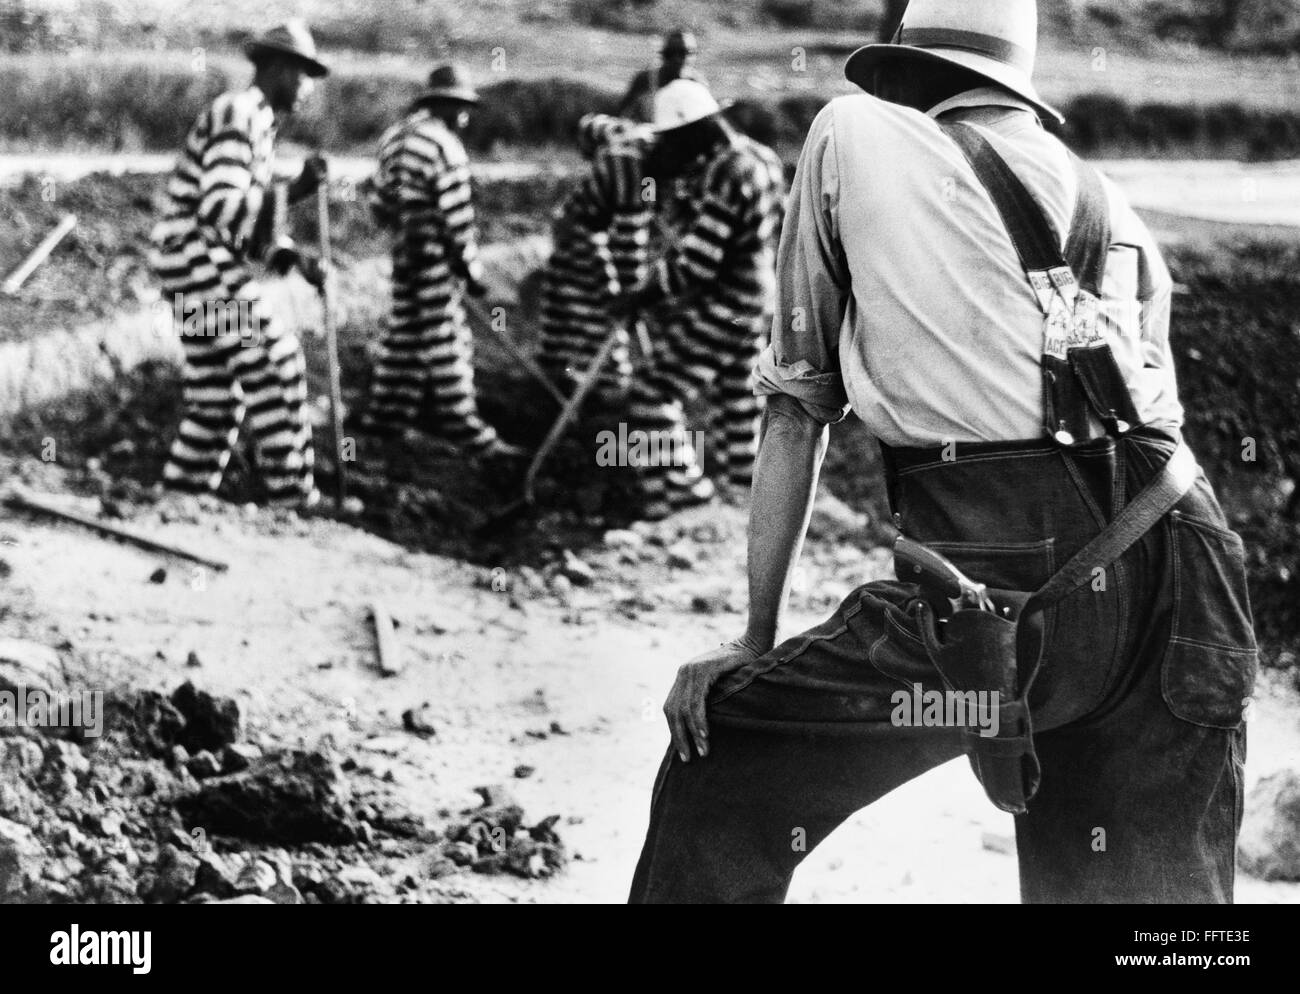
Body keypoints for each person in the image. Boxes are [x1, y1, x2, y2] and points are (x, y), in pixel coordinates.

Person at [629, 0, 1257, 904]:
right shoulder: (1112, 204)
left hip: (1002, 573)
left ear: (907, 73)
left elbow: (799, 411)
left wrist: (753, 642)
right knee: (1144, 918)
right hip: (1191, 567)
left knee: (723, 764)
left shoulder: (850, 133)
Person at [150, 20, 328, 509]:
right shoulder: (238, 114)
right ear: (277, 68)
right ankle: (293, 500)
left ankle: (179, 502)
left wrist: (295, 258)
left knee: (217, 396)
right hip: (197, 263)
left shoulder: (259, 125)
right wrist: (296, 191)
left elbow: (247, 229)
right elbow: (219, 208)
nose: (307, 87)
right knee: (276, 361)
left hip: (190, 269)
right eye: (303, 73)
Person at [610, 79, 787, 521]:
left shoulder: (729, 172)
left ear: (696, 130)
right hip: (756, 302)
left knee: (650, 393)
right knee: (738, 404)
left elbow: (699, 263)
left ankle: (690, 500)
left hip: (727, 306)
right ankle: (746, 509)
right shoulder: (761, 158)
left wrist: (642, 294)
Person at [360, 65, 522, 460]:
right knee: (446, 338)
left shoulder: (393, 137)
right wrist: (470, 270)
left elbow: (379, 205)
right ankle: (466, 429)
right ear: (447, 107)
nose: (465, 118)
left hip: (403, 253)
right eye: (462, 108)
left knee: (405, 335)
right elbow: (456, 220)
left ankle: (386, 418)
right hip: (431, 255)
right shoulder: (445, 147)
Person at [538, 112, 655, 401]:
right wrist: (630, 284)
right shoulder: (627, 166)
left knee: (581, 312)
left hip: (584, 245)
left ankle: (576, 377)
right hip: (588, 246)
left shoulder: (625, 163)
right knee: (593, 314)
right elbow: (626, 235)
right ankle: (598, 384)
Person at [616, 29, 706, 123]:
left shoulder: (698, 83)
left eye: (685, 53)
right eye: (670, 53)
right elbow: (622, 114)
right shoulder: (645, 79)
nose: (677, 59)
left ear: (695, 55)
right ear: (663, 55)